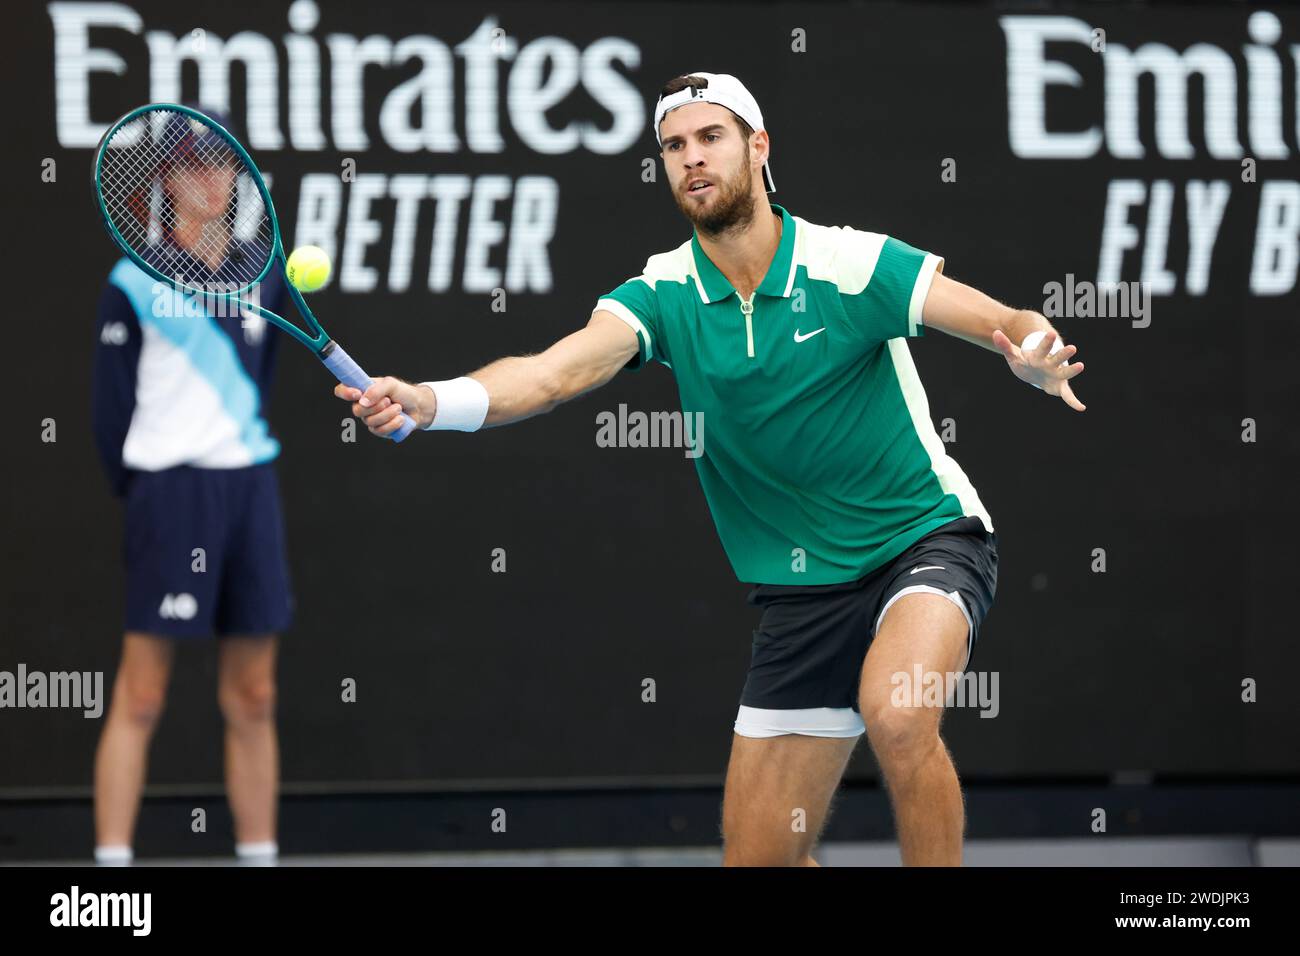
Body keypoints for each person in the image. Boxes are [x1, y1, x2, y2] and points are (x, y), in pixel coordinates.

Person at [336, 72, 1085, 866]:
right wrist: (428, 399)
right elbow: (552, 375)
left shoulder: (848, 263)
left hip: (923, 540)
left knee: (898, 713)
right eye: (674, 145)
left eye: (710, 138)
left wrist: (1034, 352)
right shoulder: (663, 293)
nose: (692, 159)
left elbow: (1004, 320)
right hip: (802, 596)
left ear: (758, 148)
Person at [90, 106, 293, 866]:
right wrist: (146, 487)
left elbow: (261, 380)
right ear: (165, 179)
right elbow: (108, 411)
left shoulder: (264, 272)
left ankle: (258, 854)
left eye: (221, 164)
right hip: (170, 495)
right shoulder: (130, 279)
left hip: (249, 489)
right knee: (141, 695)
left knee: (255, 697)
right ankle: (112, 868)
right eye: (191, 166)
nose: (209, 179)